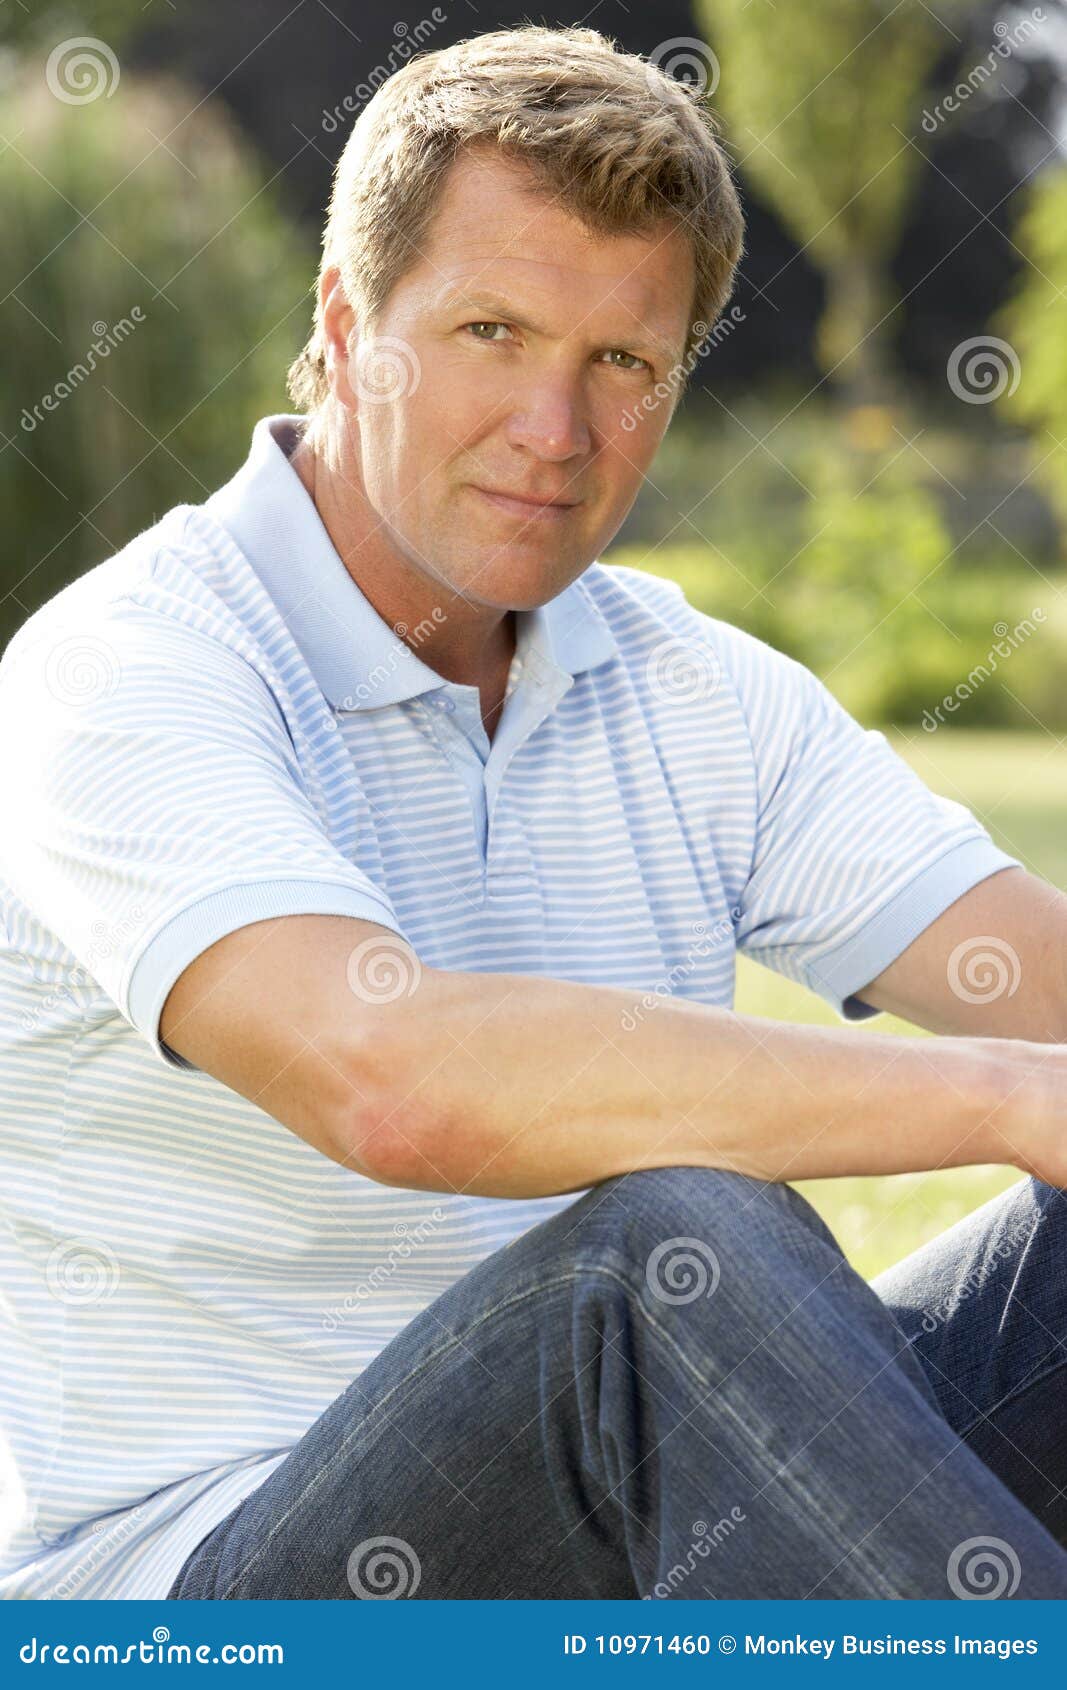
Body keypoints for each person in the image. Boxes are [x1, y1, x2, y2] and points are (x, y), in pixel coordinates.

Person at [2, 24, 1066, 1603]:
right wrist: (997, 1095)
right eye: (491, 331)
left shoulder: (687, 685)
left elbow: (1030, 969)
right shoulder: (127, 670)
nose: (555, 433)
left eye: (621, 363)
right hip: (205, 1594)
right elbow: (393, 1082)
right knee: (671, 1252)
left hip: (633, 1525)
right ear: (347, 325)